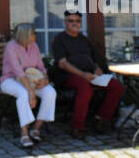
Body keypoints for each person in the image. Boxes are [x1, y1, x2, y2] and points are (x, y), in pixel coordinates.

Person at [51, 10, 124, 138]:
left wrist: (96, 69)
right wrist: (83, 74)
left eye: (77, 21)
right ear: (65, 22)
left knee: (117, 87)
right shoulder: (59, 39)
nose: (74, 23)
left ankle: (101, 118)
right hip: (67, 76)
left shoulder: (84, 39)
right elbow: (63, 64)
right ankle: (77, 127)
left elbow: (93, 59)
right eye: (71, 21)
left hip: (90, 75)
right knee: (85, 88)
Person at [0, 23, 57, 148]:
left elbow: (41, 66)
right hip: (10, 80)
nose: (35, 35)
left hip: (31, 79)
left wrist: (45, 79)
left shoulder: (34, 46)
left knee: (50, 92)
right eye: (33, 33)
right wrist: (31, 93)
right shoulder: (11, 47)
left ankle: (36, 128)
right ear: (26, 35)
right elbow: (18, 72)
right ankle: (24, 132)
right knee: (23, 93)